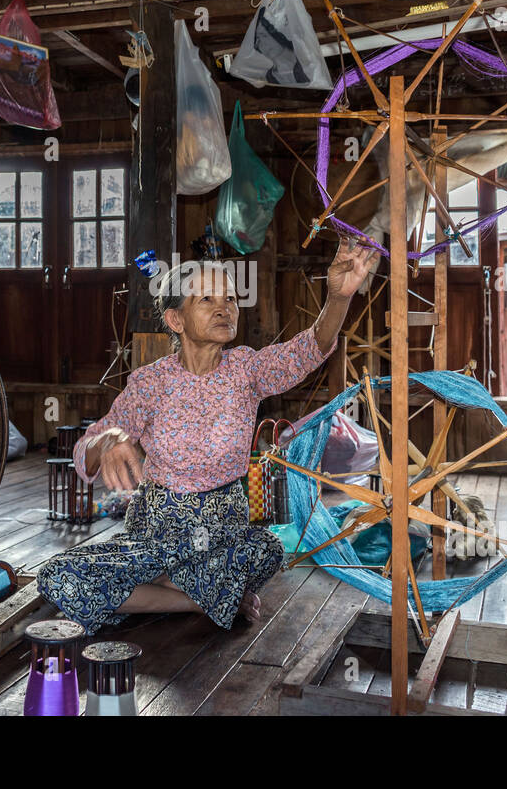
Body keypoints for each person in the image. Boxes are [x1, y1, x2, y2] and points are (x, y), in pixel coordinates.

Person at [35, 238, 377, 632]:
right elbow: (86, 450)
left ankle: (166, 591)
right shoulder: (150, 383)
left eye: (230, 299)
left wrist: (338, 297)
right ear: (176, 320)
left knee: (265, 549)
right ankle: (198, 601)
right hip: (156, 537)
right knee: (59, 574)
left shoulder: (246, 370)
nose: (224, 308)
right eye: (207, 300)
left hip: (222, 537)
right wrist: (109, 439)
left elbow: (308, 350)